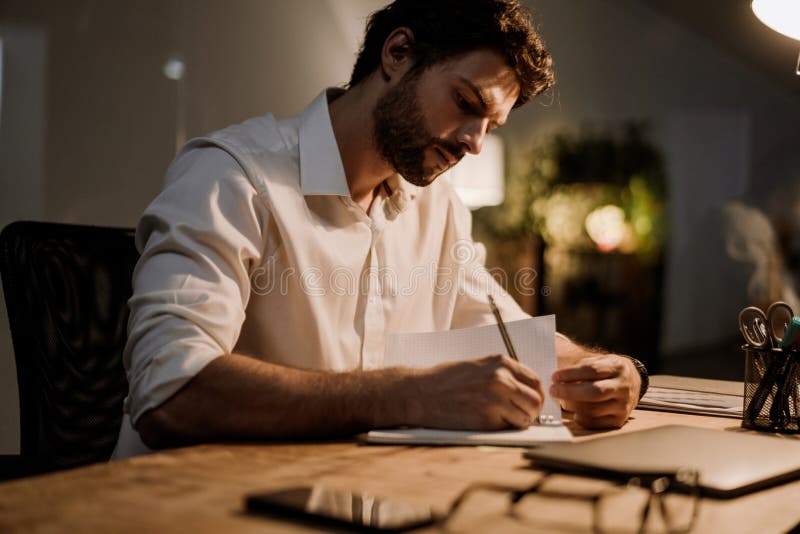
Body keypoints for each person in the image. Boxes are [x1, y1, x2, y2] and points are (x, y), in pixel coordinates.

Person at [112, 0, 645, 458]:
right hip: (189, 506)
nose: (474, 142)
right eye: (465, 103)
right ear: (397, 54)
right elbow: (170, 391)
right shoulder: (231, 176)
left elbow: (506, 331)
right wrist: (410, 395)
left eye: (491, 125)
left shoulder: (436, 207)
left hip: (343, 495)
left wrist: (606, 371)